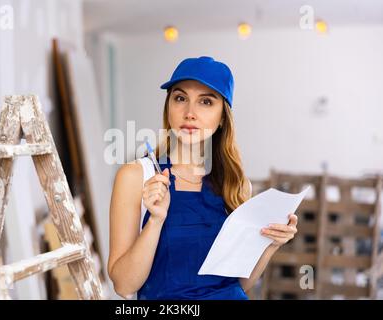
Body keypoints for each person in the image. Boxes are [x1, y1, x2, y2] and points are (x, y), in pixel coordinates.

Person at [108, 56, 298, 300]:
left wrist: (271, 244)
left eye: (206, 102)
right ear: (169, 107)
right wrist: (155, 221)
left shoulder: (237, 184)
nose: (190, 113)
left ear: (222, 118)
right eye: (180, 98)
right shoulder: (136, 176)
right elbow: (123, 286)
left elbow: (239, 283)